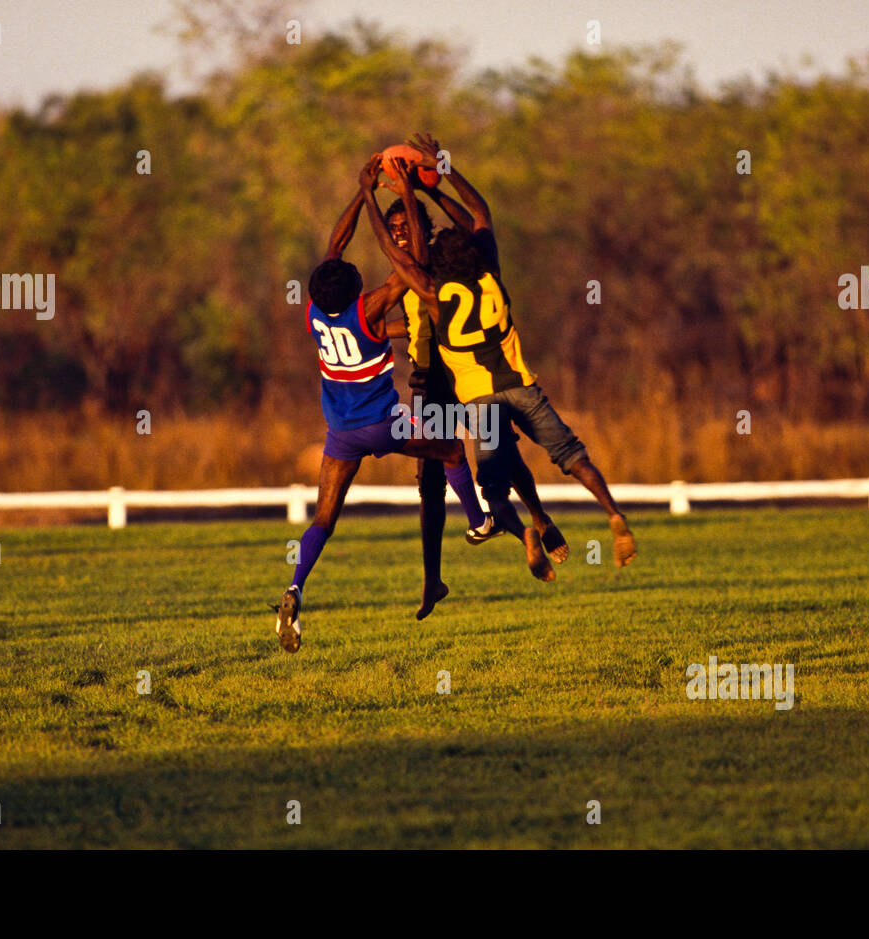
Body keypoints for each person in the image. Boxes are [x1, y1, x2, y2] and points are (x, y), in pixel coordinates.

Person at [274, 155, 511, 652]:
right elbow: (413, 263)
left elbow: (335, 246)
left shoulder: (315, 312)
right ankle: (478, 520)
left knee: (323, 519)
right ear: (359, 288)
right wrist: (398, 195)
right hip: (385, 424)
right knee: (449, 450)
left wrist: (363, 192)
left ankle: (295, 588)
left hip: (340, 432)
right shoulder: (373, 304)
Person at [374, 136, 639, 568]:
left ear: (428, 236)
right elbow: (480, 218)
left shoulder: (427, 277)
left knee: (500, 468)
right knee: (448, 468)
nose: (402, 235)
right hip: (453, 381)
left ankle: (527, 521)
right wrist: (434, 178)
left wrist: (397, 191)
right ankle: (563, 519)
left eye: (409, 228)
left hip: (469, 387)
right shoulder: (480, 272)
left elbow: (416, 257)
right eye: (396, 229)